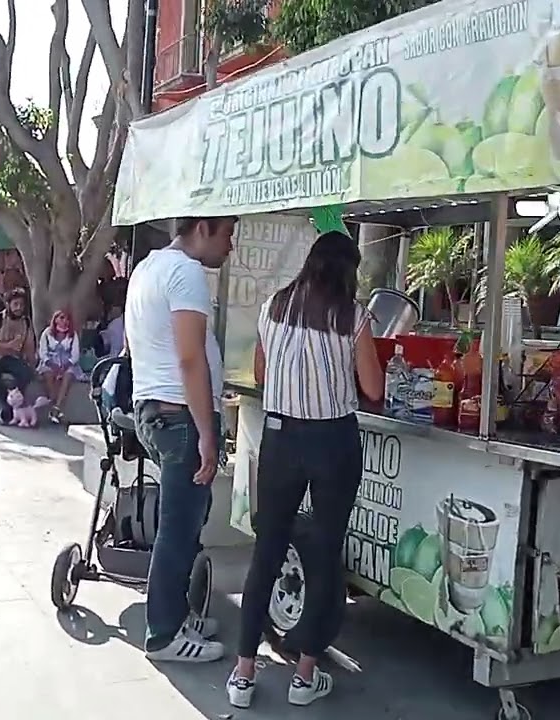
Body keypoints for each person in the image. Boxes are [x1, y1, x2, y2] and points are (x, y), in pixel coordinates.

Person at [226, 231, 383, 708]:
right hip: (333, 441)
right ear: (347, 272)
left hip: (280, 438)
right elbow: (374, 387)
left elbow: (260, 374)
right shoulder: (352, 317)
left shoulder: (273, 307)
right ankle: (305, 675)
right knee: (325, 555)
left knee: (267, 553)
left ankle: (243, 672)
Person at [125, 215, 235, 663]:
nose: (231, 246)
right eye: (228, 233)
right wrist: (207, 433)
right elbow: (191, 359)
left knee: (186, 523)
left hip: (156, 411)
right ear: (202, 228)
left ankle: (177, 614)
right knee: (178, 529)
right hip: (180, 417)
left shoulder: (147, 268)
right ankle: (164, 635)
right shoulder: (186, 272)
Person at [0, 288, 37, 425]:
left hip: (10, 359)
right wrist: (7, 345)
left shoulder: (25, 323)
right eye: (15, 304)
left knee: (26, 373)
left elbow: (29, 347)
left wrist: (33, 364)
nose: (19, 308)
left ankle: (15, 404)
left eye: (21, 305)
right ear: (8, 304)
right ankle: (7, 406)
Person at [36, 310, 85, 423]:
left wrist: (66, 365)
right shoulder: (47, 333)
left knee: (68, 377)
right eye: (62, 318)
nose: (65, 321)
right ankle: (53, 403)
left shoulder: (73, 334)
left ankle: (56, 408)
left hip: (67, 363)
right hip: (50, 362)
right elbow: (42, 352)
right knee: (48, 375)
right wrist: (51, 364)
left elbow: (75, 354)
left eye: (67, 319)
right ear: (55, 319)